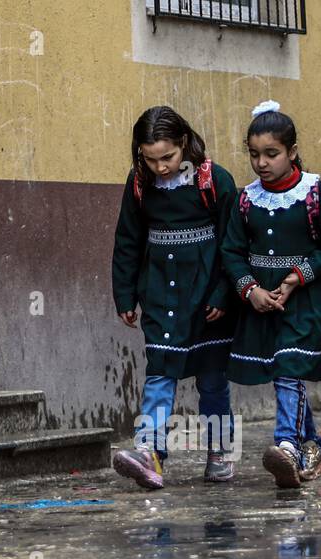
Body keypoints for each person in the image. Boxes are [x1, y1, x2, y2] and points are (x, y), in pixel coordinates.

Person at [221, 101, 321, 489]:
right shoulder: (246, 200)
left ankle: (286, 445)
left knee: (288, 368)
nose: (261, 163)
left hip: (307, 301)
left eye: (271, 154)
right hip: (264, 305)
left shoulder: (315, 192)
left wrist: (298, 276)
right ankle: (312, 445)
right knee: (285, 373)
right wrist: (250, 290)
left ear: (292, 152)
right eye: (254, 154)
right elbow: (231, 251)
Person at [111, 106, 239, 490]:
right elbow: (128, 242)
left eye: (167, 157)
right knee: (159, 375)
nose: (160, 167)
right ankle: (150, 454)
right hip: (161, 297)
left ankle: (220, 450)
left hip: (208, 301)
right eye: (151, 160)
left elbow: (233, 243)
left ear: (184, 143)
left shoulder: (215, 181)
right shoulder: (139, 184)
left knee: (213, 380)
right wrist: (124, 295)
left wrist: (223, 293)